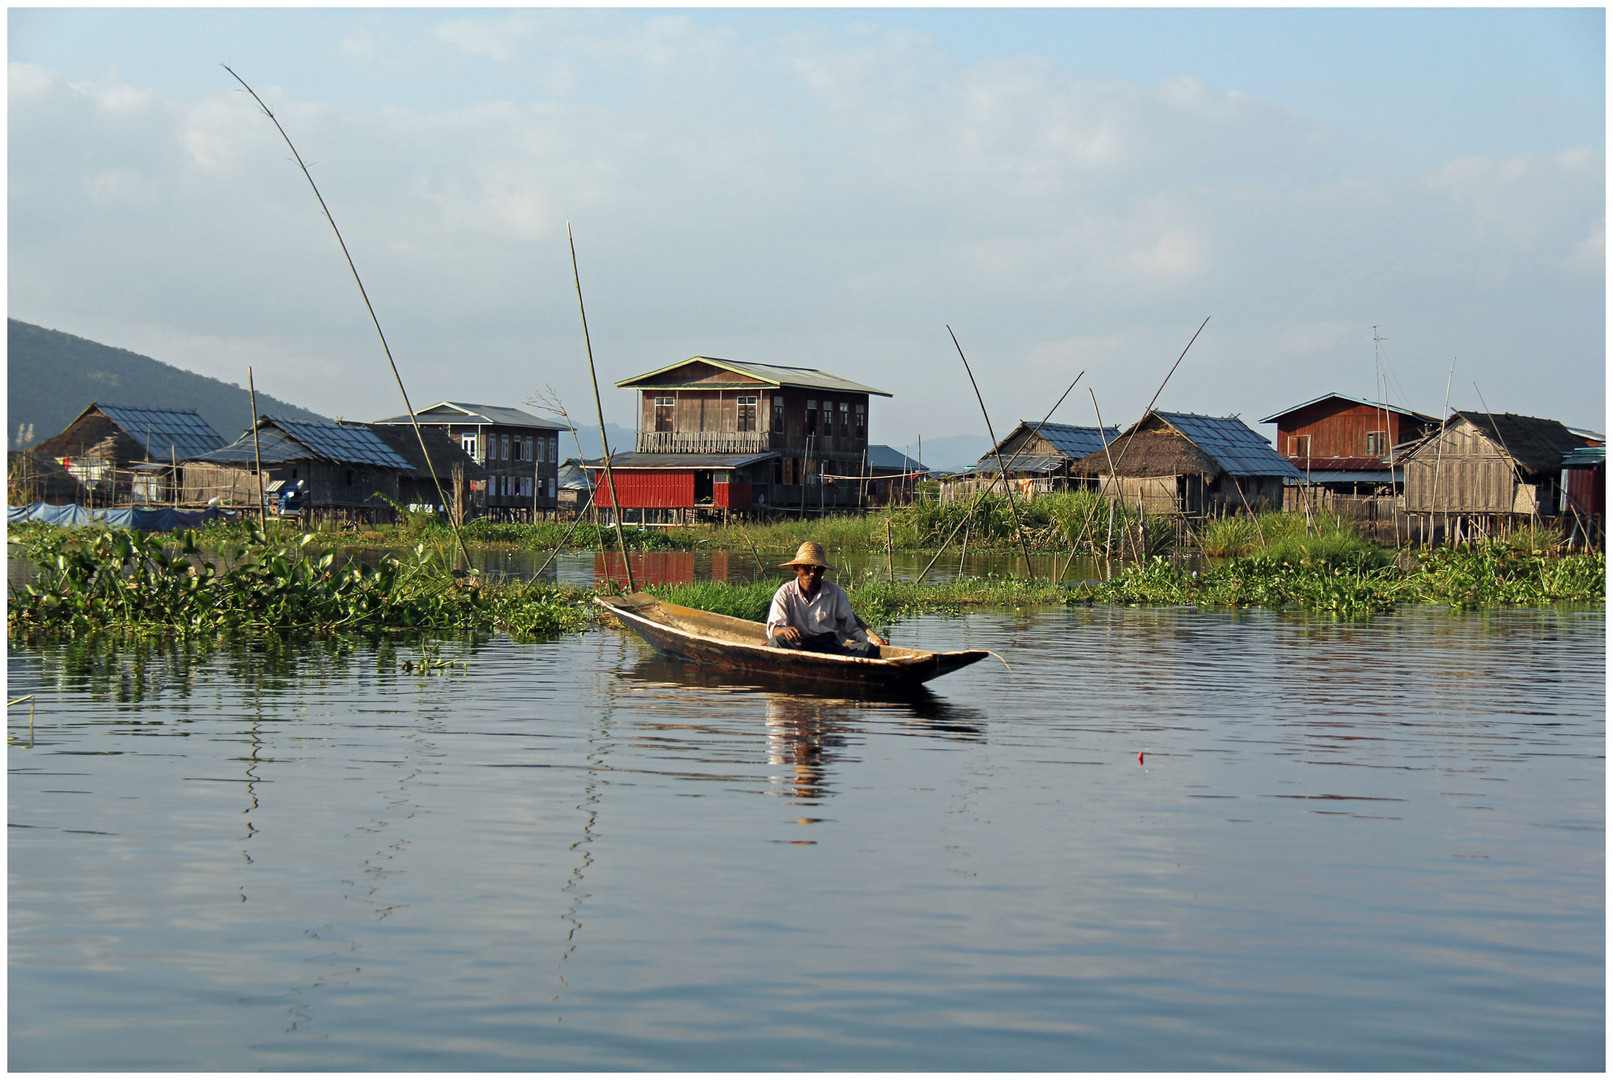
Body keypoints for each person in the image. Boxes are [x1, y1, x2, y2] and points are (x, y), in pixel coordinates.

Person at [765, 541, 886, 659]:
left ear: (823, 571)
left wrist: (874, 641)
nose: (812, 573)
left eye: (817, 569)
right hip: (799, 648)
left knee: (868, 649)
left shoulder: (835, 592)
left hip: (830, 649)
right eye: (807, 568)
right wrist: (783, 630)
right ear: (797, 568)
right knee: (776, 643)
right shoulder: (785, 593)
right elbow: (773, 629)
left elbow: (852, 628)